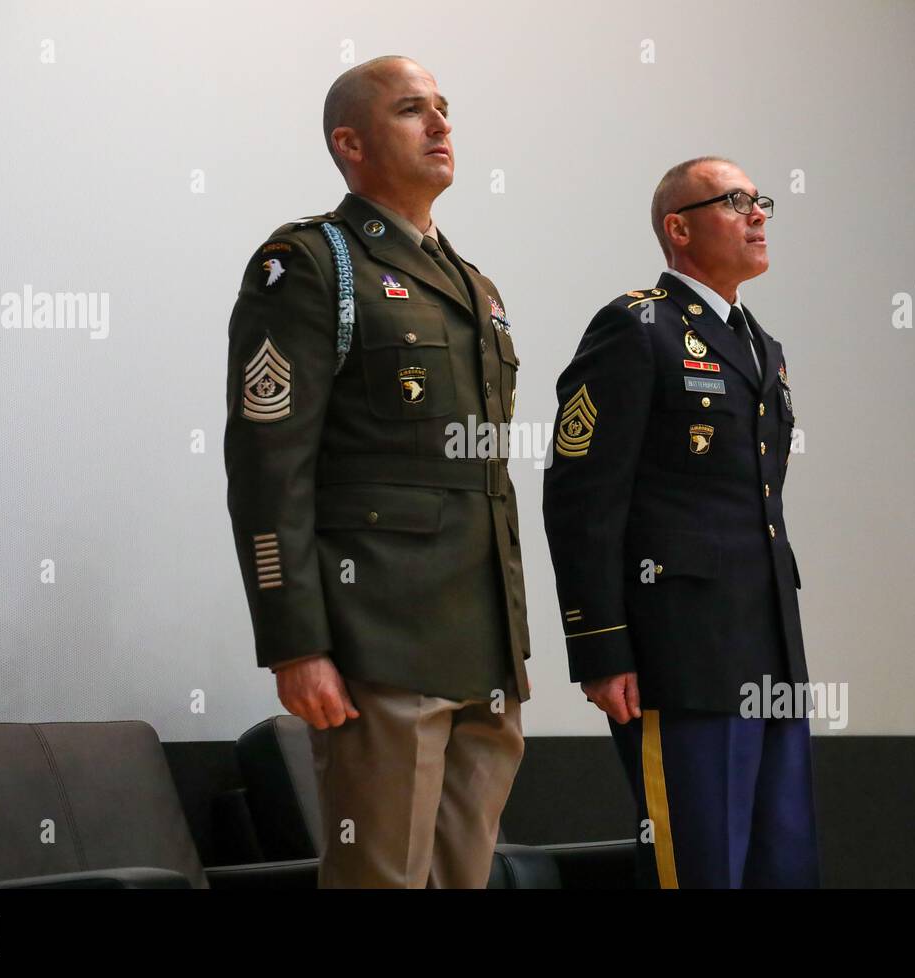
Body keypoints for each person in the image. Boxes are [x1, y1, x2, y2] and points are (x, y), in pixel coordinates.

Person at [223, 55, 530, 888]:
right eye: (411, 111)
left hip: (484, 644)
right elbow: (267, 466)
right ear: (349, 143)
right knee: (380, 879)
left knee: (461, 878)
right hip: (382, 638)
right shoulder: (312, 263)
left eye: (443, 109)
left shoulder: (474, 286)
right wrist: (297, 641)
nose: (440, 125)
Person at [541, 156, 820, 888]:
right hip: (683, 655)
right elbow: (581, 495)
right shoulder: (637, 328)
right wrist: (600, 645)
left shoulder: (763, 346)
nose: (758, 213)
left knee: (781, 866)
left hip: (770, 650)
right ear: (679, 228)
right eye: (736, 202)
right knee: (697, 867)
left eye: (761, 201)